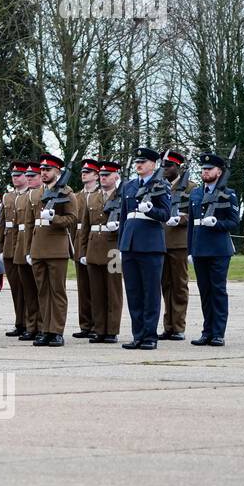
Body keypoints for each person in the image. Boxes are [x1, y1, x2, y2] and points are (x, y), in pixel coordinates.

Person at [117, 147, 171, 350]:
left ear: (153, 164)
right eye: (137, 161)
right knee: (133, 292)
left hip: (150, 244)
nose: (139, 165)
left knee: (150, 292)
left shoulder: (161, 185)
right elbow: (123, 216)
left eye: (143, 162)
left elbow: (165, 214)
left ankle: (149, 336)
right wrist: (121, 245)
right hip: (130, 243)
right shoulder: (129, 186)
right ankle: (137, 335)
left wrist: (151, 210)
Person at [25, 153, 77, 347]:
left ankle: (56, 331)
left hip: (56, 249)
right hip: (38, 249)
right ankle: (45, 329)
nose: (44, 173)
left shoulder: (66, 193)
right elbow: (30, 224)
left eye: (48, 170)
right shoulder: (36, 193)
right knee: (43, 292)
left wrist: (53, 218)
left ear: (58, 171)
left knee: (57, 291)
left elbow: (72, 219)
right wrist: (29, 249)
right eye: (42, 170)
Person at [188, 152, 239, 346]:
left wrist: (216, 222)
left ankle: (218, 333)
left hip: (218, 249)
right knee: (204, 292)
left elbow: (234, 222)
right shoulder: (196, 193)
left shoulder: (228, 193)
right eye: (203, 169)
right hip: (200, 248)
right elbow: (192, 225)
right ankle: (206, 331)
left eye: (209, 169)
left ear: (219, 172)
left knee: (217, 291)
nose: (205, 171)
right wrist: (190, 250)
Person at [84, 160, 124, 344]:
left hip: (113, 249)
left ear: (116, 176)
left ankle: (112, 330)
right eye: (101, 175)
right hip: (94, 249)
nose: (103, 178)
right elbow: (85, 227)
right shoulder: (92, 197)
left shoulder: (122, 197)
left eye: (107, 175)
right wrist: (83, 251)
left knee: (113, 291)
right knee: (97, 292)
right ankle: (99, 329)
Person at [159, 151, 193, 341]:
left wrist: (181, 219)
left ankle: (178, 326)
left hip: (179, 242)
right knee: (166, 285)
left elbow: (195, 214)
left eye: (169, 166)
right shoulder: (158, 186)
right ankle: (168, 326)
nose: (165, 169)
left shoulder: (190, 187)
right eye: (163, 165)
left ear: (178, 167)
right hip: (161, 240)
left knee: (179, 285)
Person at [13, 163, 43, 341]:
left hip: (38, 243)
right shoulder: (22, 197)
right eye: (28, 176)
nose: (30, 178)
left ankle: (41, 325)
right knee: (28, 291)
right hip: (22, 244)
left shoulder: (42, 195)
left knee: (40, 290)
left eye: (33, 176)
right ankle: (30, 325)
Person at [72, 159, 100, 337]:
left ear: (96, 176)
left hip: (97, 240)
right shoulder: (77, 196)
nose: (84, 174)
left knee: (98, 286)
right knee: (83, 286)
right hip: (79, 240)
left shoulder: (101, 194)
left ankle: (100, 324)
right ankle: (85, 324)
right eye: (83, 171)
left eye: (88, 171)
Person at [1, 163, 27, 336]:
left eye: (19, 175)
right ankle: (20, 322)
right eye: (13, 175)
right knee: (16, 288)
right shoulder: (7, 197)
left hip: (24, 244)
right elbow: (3, 223)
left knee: (28, 288)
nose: (15, 177)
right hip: (10, 245)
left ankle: (29, 322)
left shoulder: (31, 195)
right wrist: (1, 247)